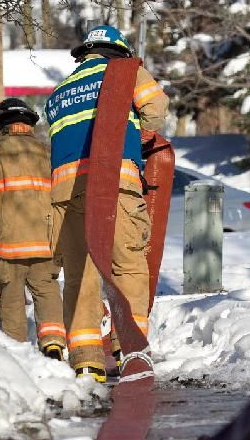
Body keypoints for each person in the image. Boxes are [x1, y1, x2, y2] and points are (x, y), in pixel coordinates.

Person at [45, 24, 169, 382]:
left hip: (65, 195)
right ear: (119, 52)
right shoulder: (125, 72)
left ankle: (86, 361)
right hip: (114, 184)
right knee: (127, 265)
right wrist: (140, 138)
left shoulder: (60, 91)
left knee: (80, 275)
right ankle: (129, 348)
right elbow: (156, 108)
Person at [0, 97, 67, 360]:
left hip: (8, 245)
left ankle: (17, 352)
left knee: (10, 297)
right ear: (28, 124)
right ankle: (53, 343)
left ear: (0, 125)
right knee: (47, 291)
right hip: (45, 242)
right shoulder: (46, 153)